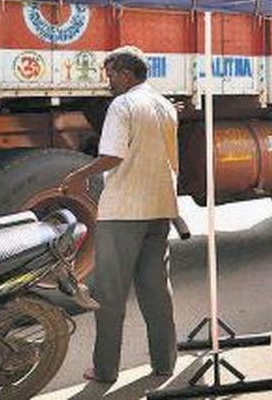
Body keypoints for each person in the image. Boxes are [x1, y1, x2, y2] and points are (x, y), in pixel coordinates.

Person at [62, 46, 180, 384]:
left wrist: (77, 176)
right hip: (159, 207)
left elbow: (113, 156)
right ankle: (164, 364)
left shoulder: (123, 105)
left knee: (110, 293)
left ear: (126, 74)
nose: (108, 82)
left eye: (111, 74)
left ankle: (105, 370)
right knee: (156, 289)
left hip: (125, 210)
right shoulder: (165, 106)